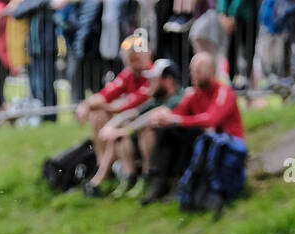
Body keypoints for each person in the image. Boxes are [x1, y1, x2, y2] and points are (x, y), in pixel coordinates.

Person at [140, 52, 244, 205]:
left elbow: (210, 120)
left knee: (187, 131)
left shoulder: (224, 92)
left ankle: (180, 181)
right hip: (206, 141)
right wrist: (164, 117)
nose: (193, 75)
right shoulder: (195, 95)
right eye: (192, 71)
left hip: (226, 145)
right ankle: (160, 182)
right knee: (168, 129)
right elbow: (177, 114)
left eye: (198, 71)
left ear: (211, 71)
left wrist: (176, 120)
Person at [96, 58, 184, 199]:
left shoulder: (179, 98)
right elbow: (134, 112)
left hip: (174, 152)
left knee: (145, 131)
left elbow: (153, 115)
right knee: (121, 135)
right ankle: (129, 178)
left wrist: (126, 130)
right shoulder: (157, 99)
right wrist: (110, 126)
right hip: (158, 149)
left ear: (168, 80)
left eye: (155, 80)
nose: (151, 84)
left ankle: (148, 177)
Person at [76, 34, 152, 195]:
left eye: (135, 59)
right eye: (130, 61)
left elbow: (128, 105)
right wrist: (86, 105)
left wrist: (96, 106)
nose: (132, 65)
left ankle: (101, 178)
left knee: (114, 125)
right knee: (100, 115)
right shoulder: (129, 73)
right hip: (129, 120)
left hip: (144, 122)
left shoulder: (152, 75)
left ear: (147, 55)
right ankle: (104, 168)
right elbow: (105, 94)